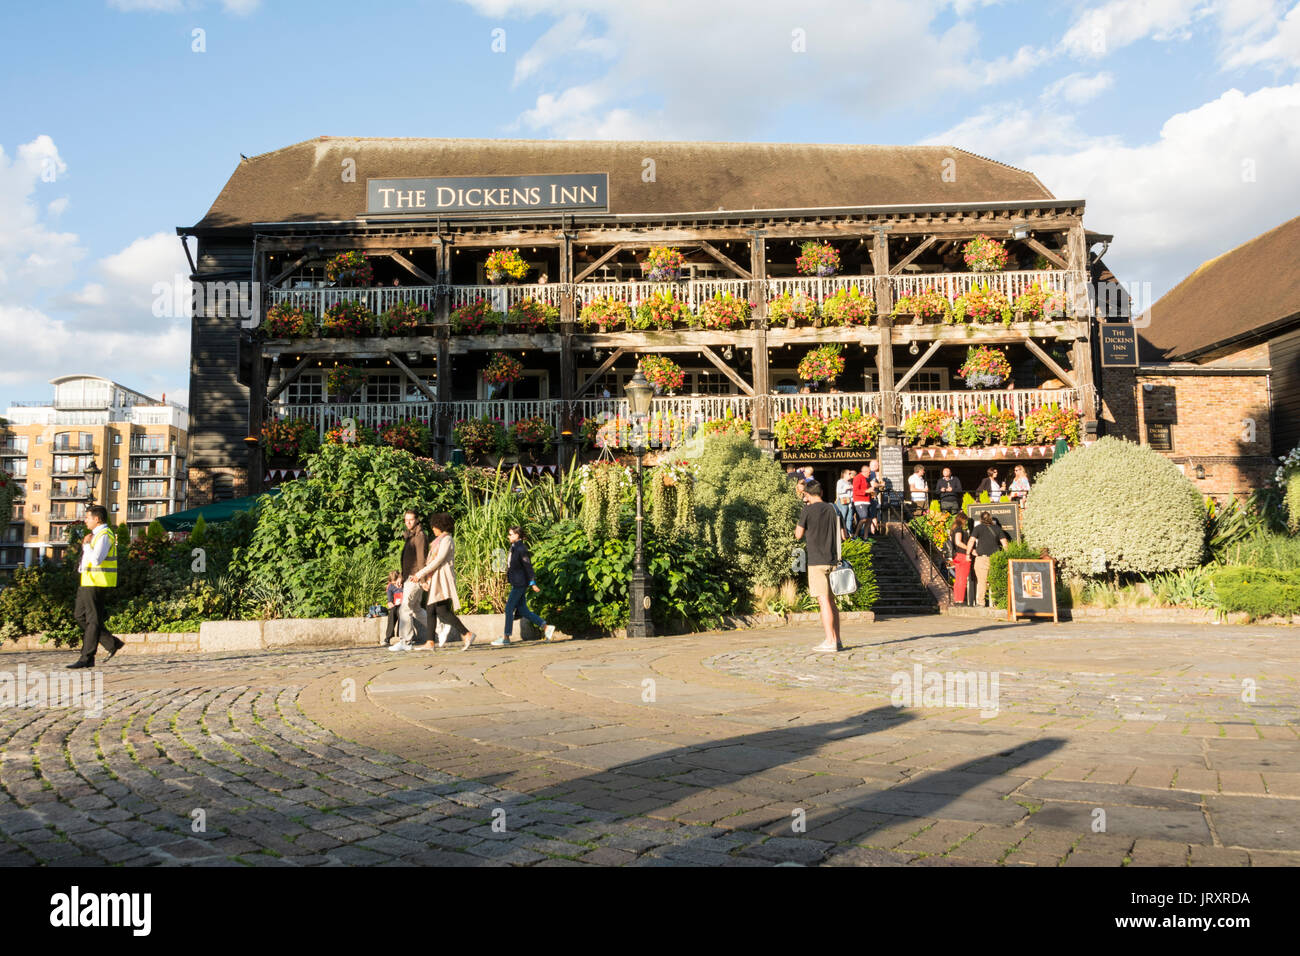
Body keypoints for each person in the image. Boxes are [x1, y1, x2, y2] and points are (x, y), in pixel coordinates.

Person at [411, 513, 478, 651]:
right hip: (435, 578)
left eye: (435, 527)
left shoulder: (447, 540)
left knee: (442, 610)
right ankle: (430, 641)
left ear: (441, 526)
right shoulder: (439, 540)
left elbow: (438, 560)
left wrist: (420, 574)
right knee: (431, 609)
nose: (433, 529)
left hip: (442, 579)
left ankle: (467, 633)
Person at [68, 505, 124, 669]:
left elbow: (97, 559)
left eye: (88, 517)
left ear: (97, 519)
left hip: (97, 582)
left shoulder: (104, 535)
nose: (85, 520)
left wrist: (86, 545)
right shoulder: (97, 534)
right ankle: (111, 643)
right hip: (88, 580)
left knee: (93, 620)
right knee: (79, 616)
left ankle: (87, 657)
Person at [795, 480, 847, 653]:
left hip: (816, 561)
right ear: (822, 492)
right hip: (833, 560)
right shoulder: (833, 508)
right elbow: (844, 535)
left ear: (807, 495)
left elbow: (798, 534)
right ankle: (838, 640)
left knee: (823, 601)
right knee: (832, 602)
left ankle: (830, 640)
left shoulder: (807, 510)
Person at [494, 526, 556, 646]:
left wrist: (532, 582)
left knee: (508, 608)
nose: (509, 536)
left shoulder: (521, 548)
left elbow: (528, 566)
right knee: (523, 610)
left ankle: (506, 637)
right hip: (516, 582)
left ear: (517, 535)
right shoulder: (514, 547)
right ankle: (546, 627)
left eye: (511, 534)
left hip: (520, 583)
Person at [391, 508, 429, 651]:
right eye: (406, 520)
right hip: (409, 576)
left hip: (415, 577)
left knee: (405, 608)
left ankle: (406, 641)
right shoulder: (410, 535)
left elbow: (421, 558)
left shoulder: (419, 536)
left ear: (417, 520)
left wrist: (422, 579)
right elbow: (408, 560)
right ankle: (441, 627)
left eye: (411, 519)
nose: (408, 522)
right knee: (416, 609)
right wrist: (401, 576)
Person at [971, 510, 1007, 608]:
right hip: (995, 558)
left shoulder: (977, 528)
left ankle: (981, 603)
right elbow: (1005, 544)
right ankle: (996, 602)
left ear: (981, 519)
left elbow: (971, 541)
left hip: (982, 558)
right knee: (994, 581)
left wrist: (969, 552)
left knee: (982, 581)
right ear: (990, 519)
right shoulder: (997, 528)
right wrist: (1006, 556)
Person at [949, 513, 974, 606]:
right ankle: (960, 600)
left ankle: (957, 599)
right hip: (962, 555)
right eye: (965, 520)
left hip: (957, 556)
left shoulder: (953, 529)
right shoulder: (959, 529)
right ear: (963, 520)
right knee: (962, 579)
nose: (965, 523)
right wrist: (969, 548)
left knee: (958, 578)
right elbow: (958, 542)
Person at [851, 464, 873, 541]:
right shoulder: (857, 478)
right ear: (864, 471)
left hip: (867, 501)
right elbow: (855, 491)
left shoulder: (866, 479)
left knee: (869, 519)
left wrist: (871, 491)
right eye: (869, 472)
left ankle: (865, 537)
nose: (870, 473)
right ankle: (855, 536)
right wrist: (866, 491)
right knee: (863, 519)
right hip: (860, 501)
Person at [384, 571, 402, 646]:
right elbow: (390, 599)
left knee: (401, 612)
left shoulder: (403, 584)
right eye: (393, 583)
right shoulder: (390, 587)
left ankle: (401, 635)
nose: (395, 585)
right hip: (395, 605)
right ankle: (388, 637)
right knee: (392, 612)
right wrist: (390, 603)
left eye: (396, 582)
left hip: (404, 604)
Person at [834, 468, 855, 534]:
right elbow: (839, 491)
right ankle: (841, 534)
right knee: (843, 517)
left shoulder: (850, 482)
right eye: (849, 473)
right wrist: (846, 488)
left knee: (850, 518)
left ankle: (849, 533)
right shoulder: (840, 481)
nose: (850, 475)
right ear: (844, 474)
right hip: (843, 501)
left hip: (850, 502)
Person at [867, 459, 884, 534]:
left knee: (872, 515)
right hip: (871, 496)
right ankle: (873, 532)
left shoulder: (870, 473)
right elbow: (873, 484)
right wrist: (881, 485)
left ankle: (872, 531)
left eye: (878, 465)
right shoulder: (872, 473)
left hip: (871, 497)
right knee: (872, 515)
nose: (878, 466)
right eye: (876, 465)